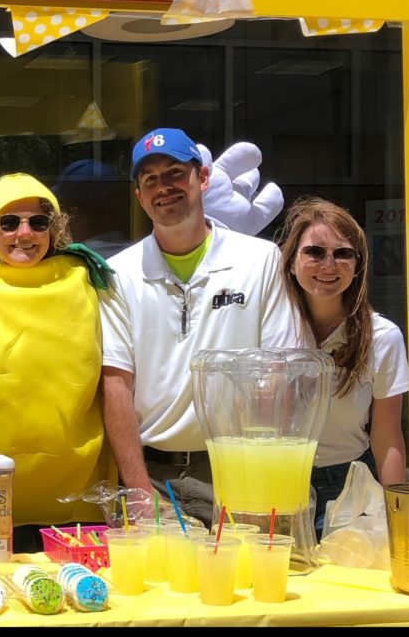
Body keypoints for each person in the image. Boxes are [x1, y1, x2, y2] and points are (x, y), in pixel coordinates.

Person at [99, 128, 302, 526]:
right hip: (155, 480)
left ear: (203, 178)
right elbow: (116, 384)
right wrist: (139, 493)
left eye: (175, 173)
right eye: (151, 179)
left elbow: (280, 372)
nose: (164, 187)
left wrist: (260, 479)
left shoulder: (260, 260)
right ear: (139, 196)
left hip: (242, 472)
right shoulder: (118, 274)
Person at [0, 173, 114, 552]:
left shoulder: (84, 277)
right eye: (9, 222)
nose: (25, 233)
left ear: (53, 231)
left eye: (38, 222)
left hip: (77, 494)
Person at [276, 196, 408, 536]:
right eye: (315, 252)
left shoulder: (383, 337)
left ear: (358, 265)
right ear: (291, 262)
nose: (329, 265)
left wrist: (398, 518)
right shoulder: (271, 331)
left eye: (343, 253)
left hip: (351, 487)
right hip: (279, 484)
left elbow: (387, 436)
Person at [51, 159, 133, 259]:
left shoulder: (70, 265)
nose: (57, 217)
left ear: (71, 210)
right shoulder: (139, 256)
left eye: (60, 209)